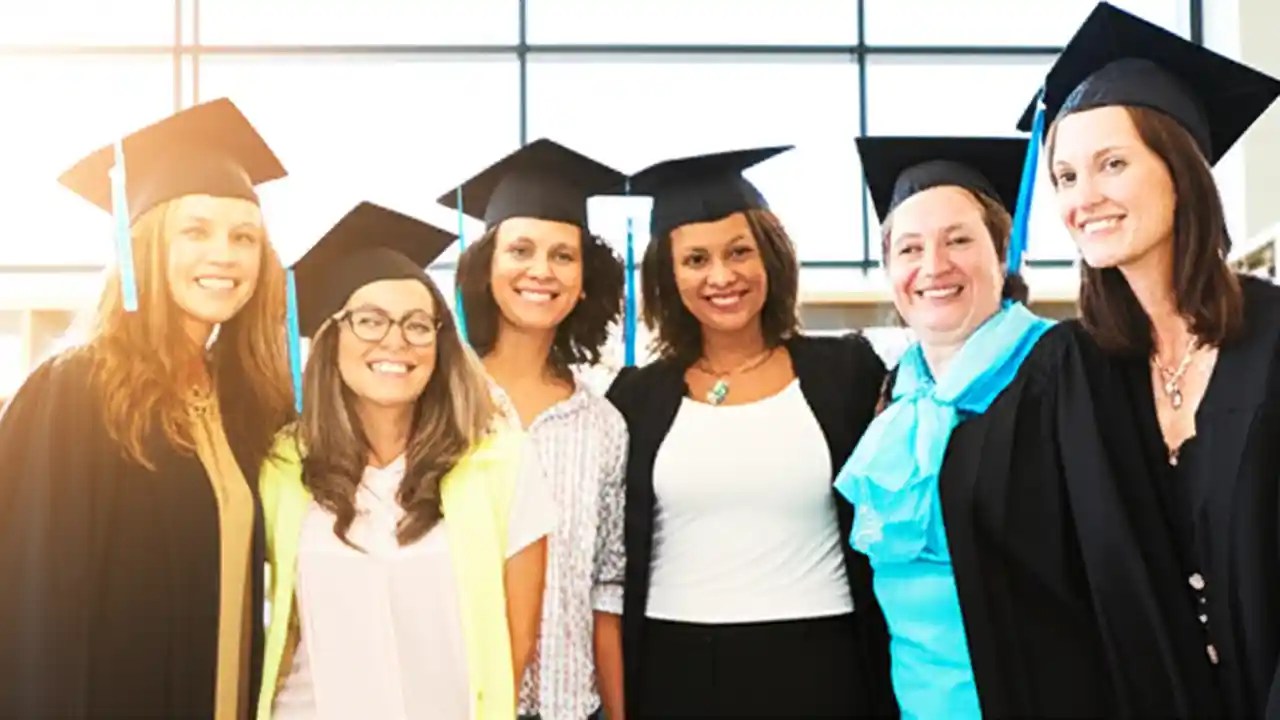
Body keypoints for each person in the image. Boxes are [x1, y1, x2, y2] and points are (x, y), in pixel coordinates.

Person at [1023, 2, 1280, 715]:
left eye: (1112, 164)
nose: (1085, 198)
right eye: (1066, 177)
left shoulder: (1272, 339)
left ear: (1180, 168)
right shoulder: (1088, 371)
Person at [0, 98, 294, 719]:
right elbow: (35, 614)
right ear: (140, 248)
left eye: (244, 237)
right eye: (196, 231)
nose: (225, 255)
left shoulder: (239, 404)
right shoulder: (75, 393)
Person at [605, 146, 896, 718]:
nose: (722, 276)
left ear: (772, 257)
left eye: (740, 252)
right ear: (668, 273)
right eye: (695, 260)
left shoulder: (847, 374)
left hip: (822, 664)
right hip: (675, 667)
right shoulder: (636, 398)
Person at [256, 201, 555, 720]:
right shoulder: (282, 467)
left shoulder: (499, 461)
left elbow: (515, 643)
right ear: (333, 338)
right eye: (369, 320)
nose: (396, 340)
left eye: (418, 325)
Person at [841, 135, 1064, 719]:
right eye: (909, 248)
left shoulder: (1060, 372)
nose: (933, 267)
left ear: (1003, 251)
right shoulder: (895, 393)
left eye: (959, 240)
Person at [446, 140, 629, 720]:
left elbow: (607, 589)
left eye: (563, 256)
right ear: (486, 268)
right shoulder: (441, 402)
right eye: (520, 250)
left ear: (584, 280)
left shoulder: (603, 424)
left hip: (571, 707)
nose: (541, 271)